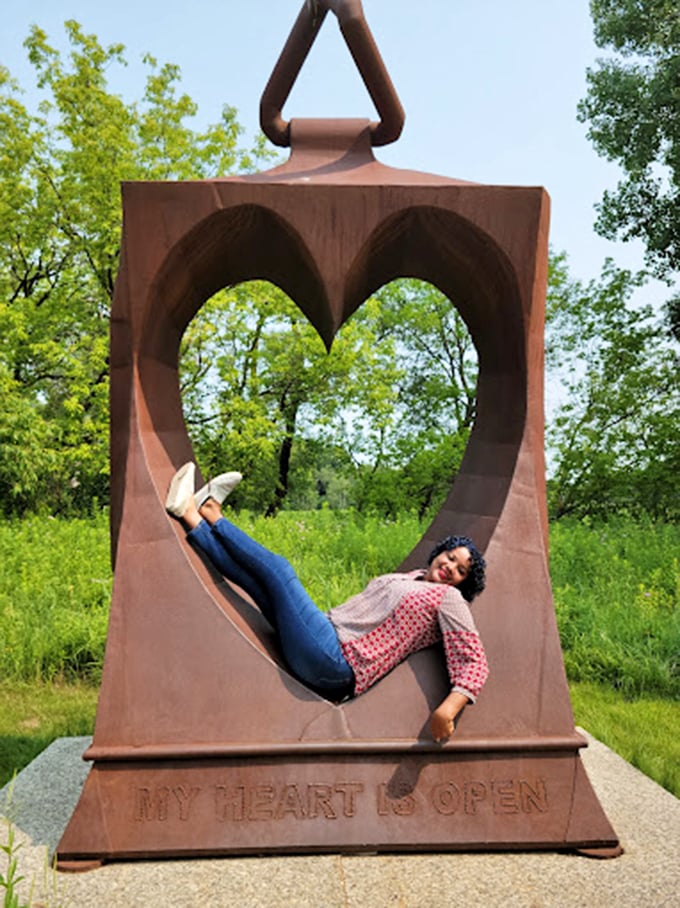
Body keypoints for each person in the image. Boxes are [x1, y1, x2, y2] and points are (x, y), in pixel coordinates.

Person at [166, 462, 489, 742]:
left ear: (464, 583)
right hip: (324, 638)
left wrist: (448, 709)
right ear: (439, 554)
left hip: (337, 661)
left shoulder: (450, 599)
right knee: (255, 583)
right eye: (450, 557)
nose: (451, 567)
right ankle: (191, 515)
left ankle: (213, 512)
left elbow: (474, 660)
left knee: (279, 571)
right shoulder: (412, 578)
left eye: (461, 571)